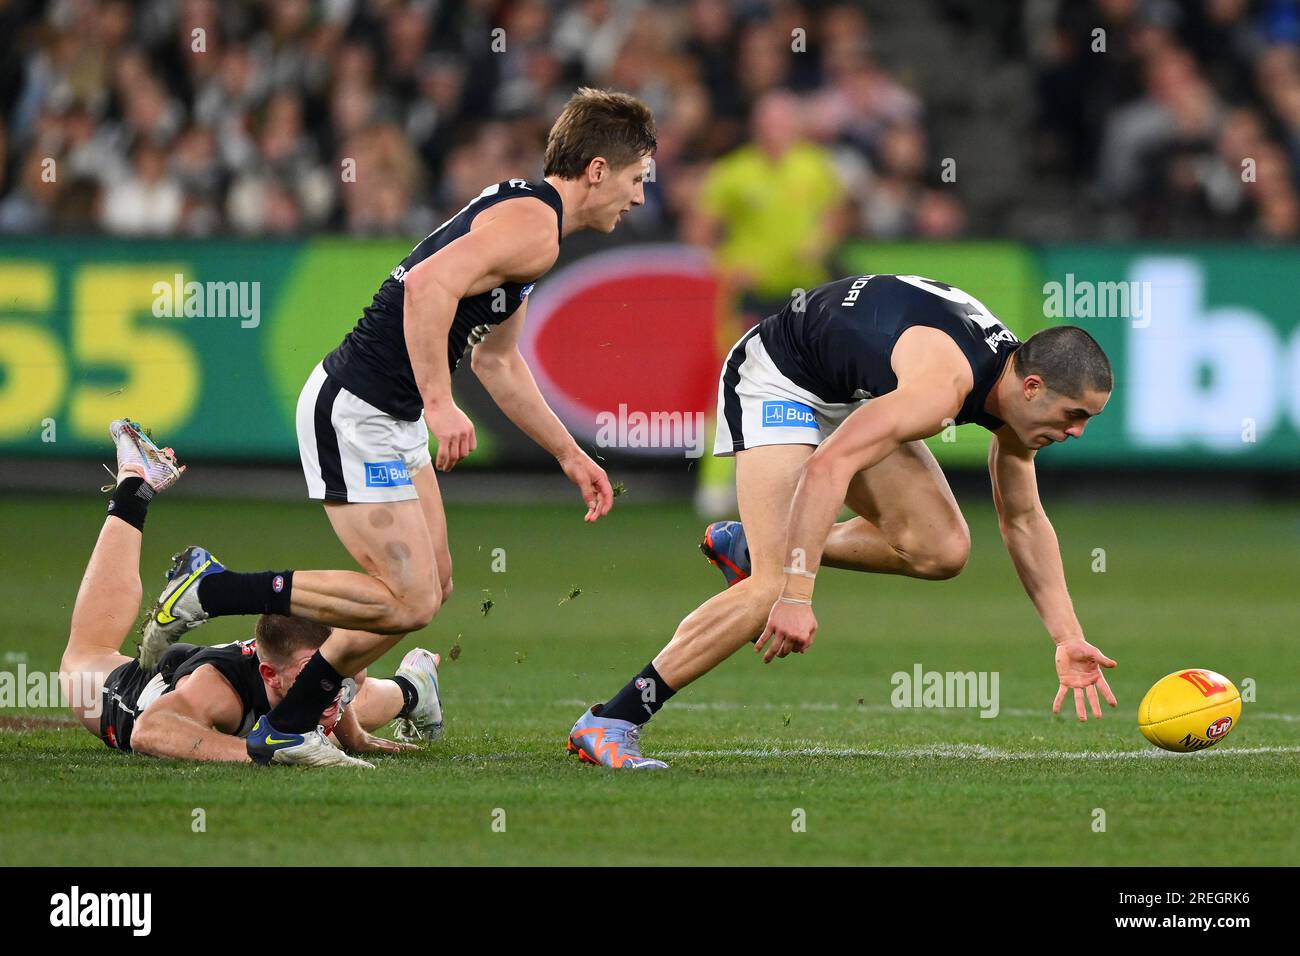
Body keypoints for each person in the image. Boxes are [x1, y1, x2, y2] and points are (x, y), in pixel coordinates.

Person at [139, 88, 657, 766]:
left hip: (394, 414)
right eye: (636, 177)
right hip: (357, 409)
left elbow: (497, 360)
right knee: (406, 599)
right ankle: (213, 589)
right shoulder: (534, 224)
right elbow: (425, 288)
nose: (641, 196)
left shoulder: (536, 223)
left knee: (431, 587)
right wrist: (441, 404)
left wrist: (569, 454)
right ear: (597, 169)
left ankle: (290, 726)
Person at [568, 274, 1118, 769]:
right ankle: (611, 721)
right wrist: (796, 595)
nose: (1076, 433)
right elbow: (828, 467)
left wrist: (1067, 637)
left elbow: (1022, 518)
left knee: (941, 550)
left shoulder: (1010, 390)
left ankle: (755, 545)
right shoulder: (941, 387)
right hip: (780, 375)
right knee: (769, 590)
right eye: (1075, 416)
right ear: (1032, 387)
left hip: (853, 391)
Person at [61, 420, 442, 767]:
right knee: (81, 660)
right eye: (312, 671)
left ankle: (414, 684)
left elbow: (337, 682)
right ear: (269, 675)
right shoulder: (220, 689)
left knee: (357, 694)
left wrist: (353, 735)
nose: (333, 689)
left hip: (274, 684)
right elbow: (149, 731)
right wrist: (262, 752)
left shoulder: (333, 670)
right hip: (144, 685)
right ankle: (135, 484)